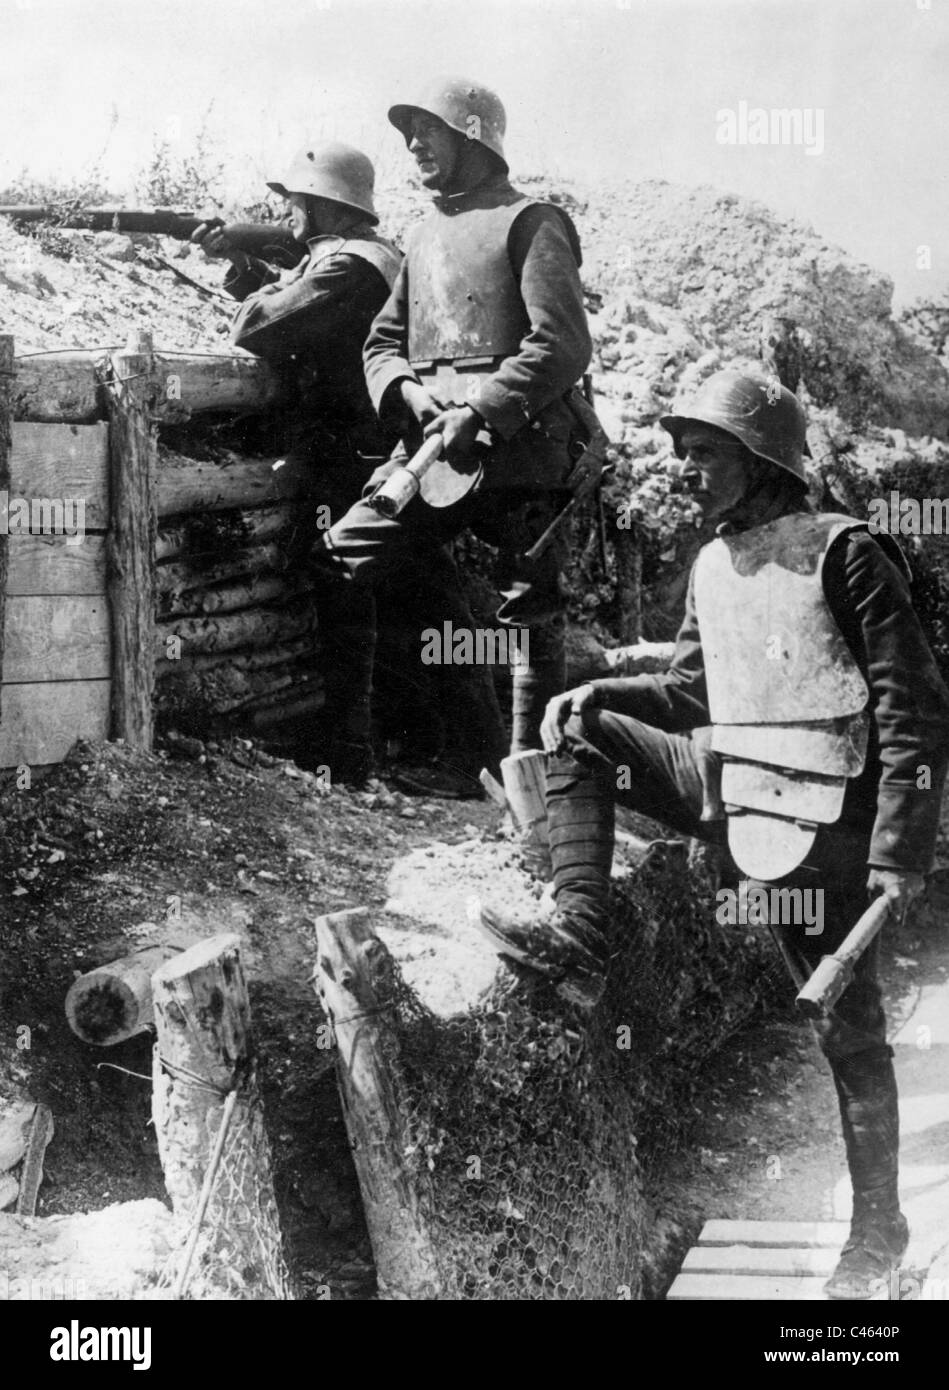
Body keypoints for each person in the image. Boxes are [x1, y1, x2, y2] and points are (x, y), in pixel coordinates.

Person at [476, 368, 949, 1300]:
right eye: (681, 453)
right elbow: (695, 690)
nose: (685, 471)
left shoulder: (846, 552)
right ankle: (583, 924)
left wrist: (899, 848)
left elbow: (914, 708)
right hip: (731, 789)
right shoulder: (709, 562)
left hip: (831, 814)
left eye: (703, 454)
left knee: (847, 1032)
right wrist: (603, 691)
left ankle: (876, 1232)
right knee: (581, 730)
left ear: (761, 459)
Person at [316, 76, 600, 795]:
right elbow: (381, 345)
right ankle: (356, 764)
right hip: (431, 449)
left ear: (472, 137)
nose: (414, 146)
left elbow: (560, 344)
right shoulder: (423, 234)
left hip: (523, 447)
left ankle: (534, 787)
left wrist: (480, 412)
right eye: (409, 134)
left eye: (428, 132)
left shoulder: (532, 221)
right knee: (343, 556)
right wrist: (410, 393)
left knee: (526, 610)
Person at [194, 141, 468, 780]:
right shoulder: (370, 260)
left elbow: (261, 328)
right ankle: (419, 746)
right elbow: (305, 315)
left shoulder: (352, 267)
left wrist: (255, 284)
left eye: (295, 203)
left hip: (359, 455)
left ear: (323, 205)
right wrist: (246, 266)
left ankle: (354, 752)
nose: (287, 214)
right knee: (406, 599)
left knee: (351, 591)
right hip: (383, 451)